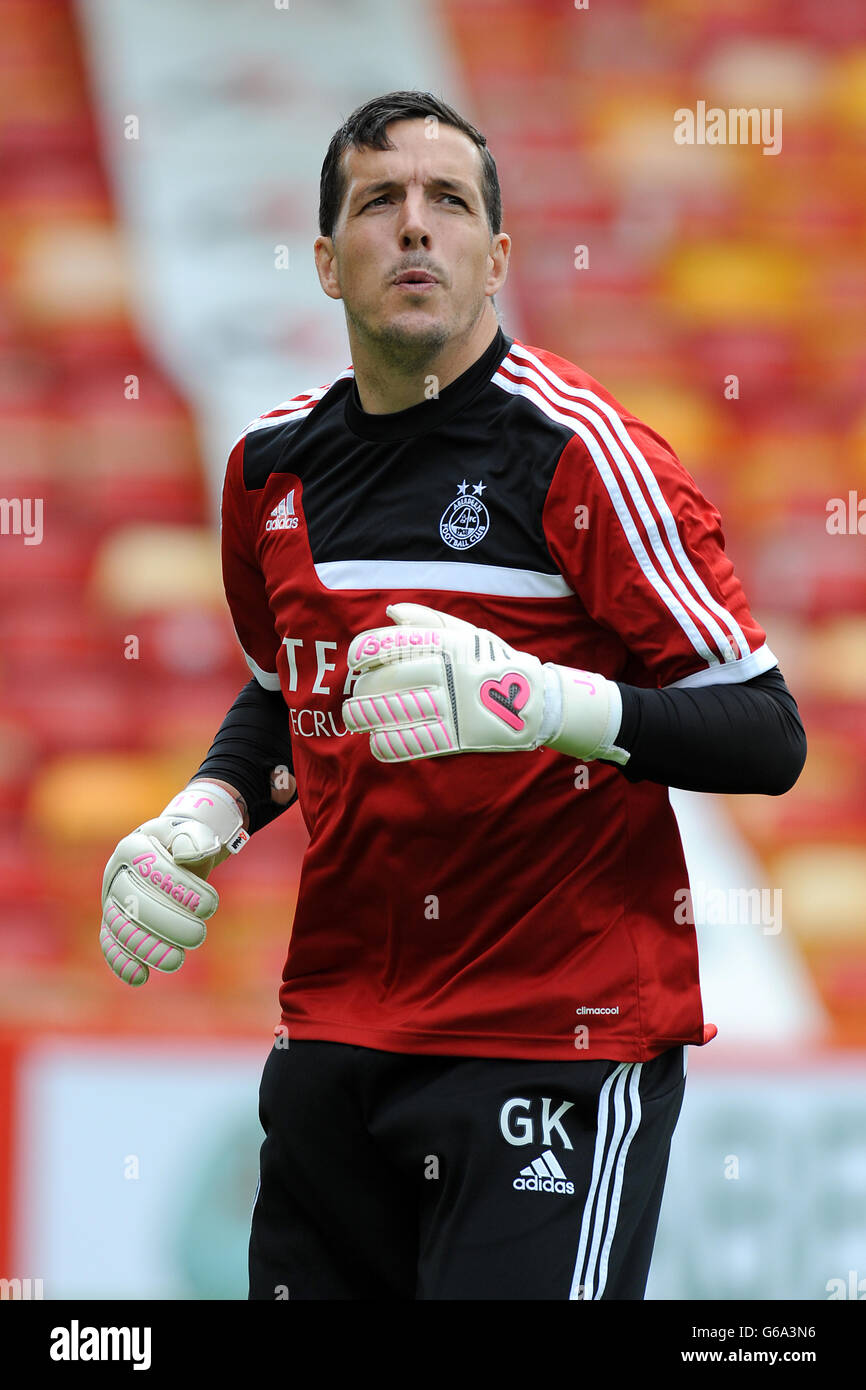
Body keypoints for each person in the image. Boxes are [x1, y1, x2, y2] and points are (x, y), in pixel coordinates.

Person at [100, 91, 806, 1301]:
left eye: (450, 204)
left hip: (554, 1043)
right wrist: (199, 819)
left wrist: (549, 704)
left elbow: (766, 733)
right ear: (326, 261)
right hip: (336, 1038)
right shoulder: (270, 468)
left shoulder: (585, 452)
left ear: (497, 256)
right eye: (380, 201)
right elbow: (285, 696)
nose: (415, 229)